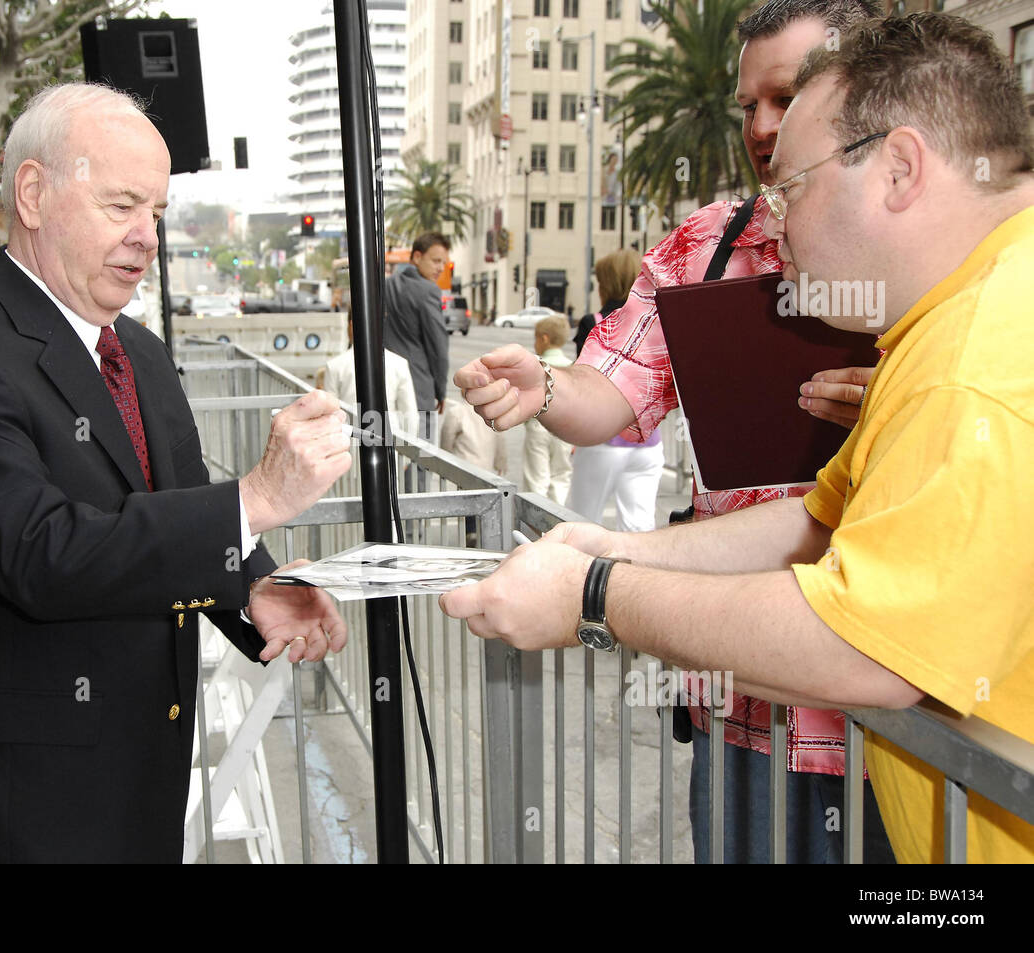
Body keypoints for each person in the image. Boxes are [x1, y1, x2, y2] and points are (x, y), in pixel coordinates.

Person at [443, 11, 1034, 865]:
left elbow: (860, 643)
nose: (777, 224)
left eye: (794, 188)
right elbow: (817, 527)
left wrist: (595, 595)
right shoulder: (956, 320)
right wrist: (612, 550)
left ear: (900, 167)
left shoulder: (976, 360)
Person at [0, 83, 353, 863]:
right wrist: (260, 496)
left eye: (158, 214)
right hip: (30, 804)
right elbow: (43, 554)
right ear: (33, 194)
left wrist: (257, 591)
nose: (147, 238)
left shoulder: (138, 352)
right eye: (122, 206)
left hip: (150, 775)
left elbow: (174, 503)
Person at [567, 250, 664, 532]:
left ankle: (583, 576)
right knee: (640, 527)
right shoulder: (656, 321)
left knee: (584, 522)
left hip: (603, 438)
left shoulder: (594, 323)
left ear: (606, 282)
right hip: (648, 441)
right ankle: (635, 576)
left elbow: (583, 383)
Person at [382, 232, 450, 439]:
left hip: (384, 388)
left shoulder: (386, 285)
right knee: (423, 462)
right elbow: (438, 347)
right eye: (436, 261)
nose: (440, 268)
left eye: (444, 263)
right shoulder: (428, 291)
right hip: (418, 390)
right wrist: (440, 390)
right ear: (417, 257)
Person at [318, 307, 419, 436]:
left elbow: (330, 415)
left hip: (348, 444)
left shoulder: (334, 366)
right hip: (388, 442)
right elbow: (410, 415)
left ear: (351, 325)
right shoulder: (399, 364)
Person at [522, 316, 573, 504]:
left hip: (538, 426)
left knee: (536, 479)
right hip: (565, 430)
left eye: (536, 338)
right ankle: (555, 521)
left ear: (544, 338)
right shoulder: (572, 367)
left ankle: (535, 525)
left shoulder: (537, 365)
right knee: (561, 476)